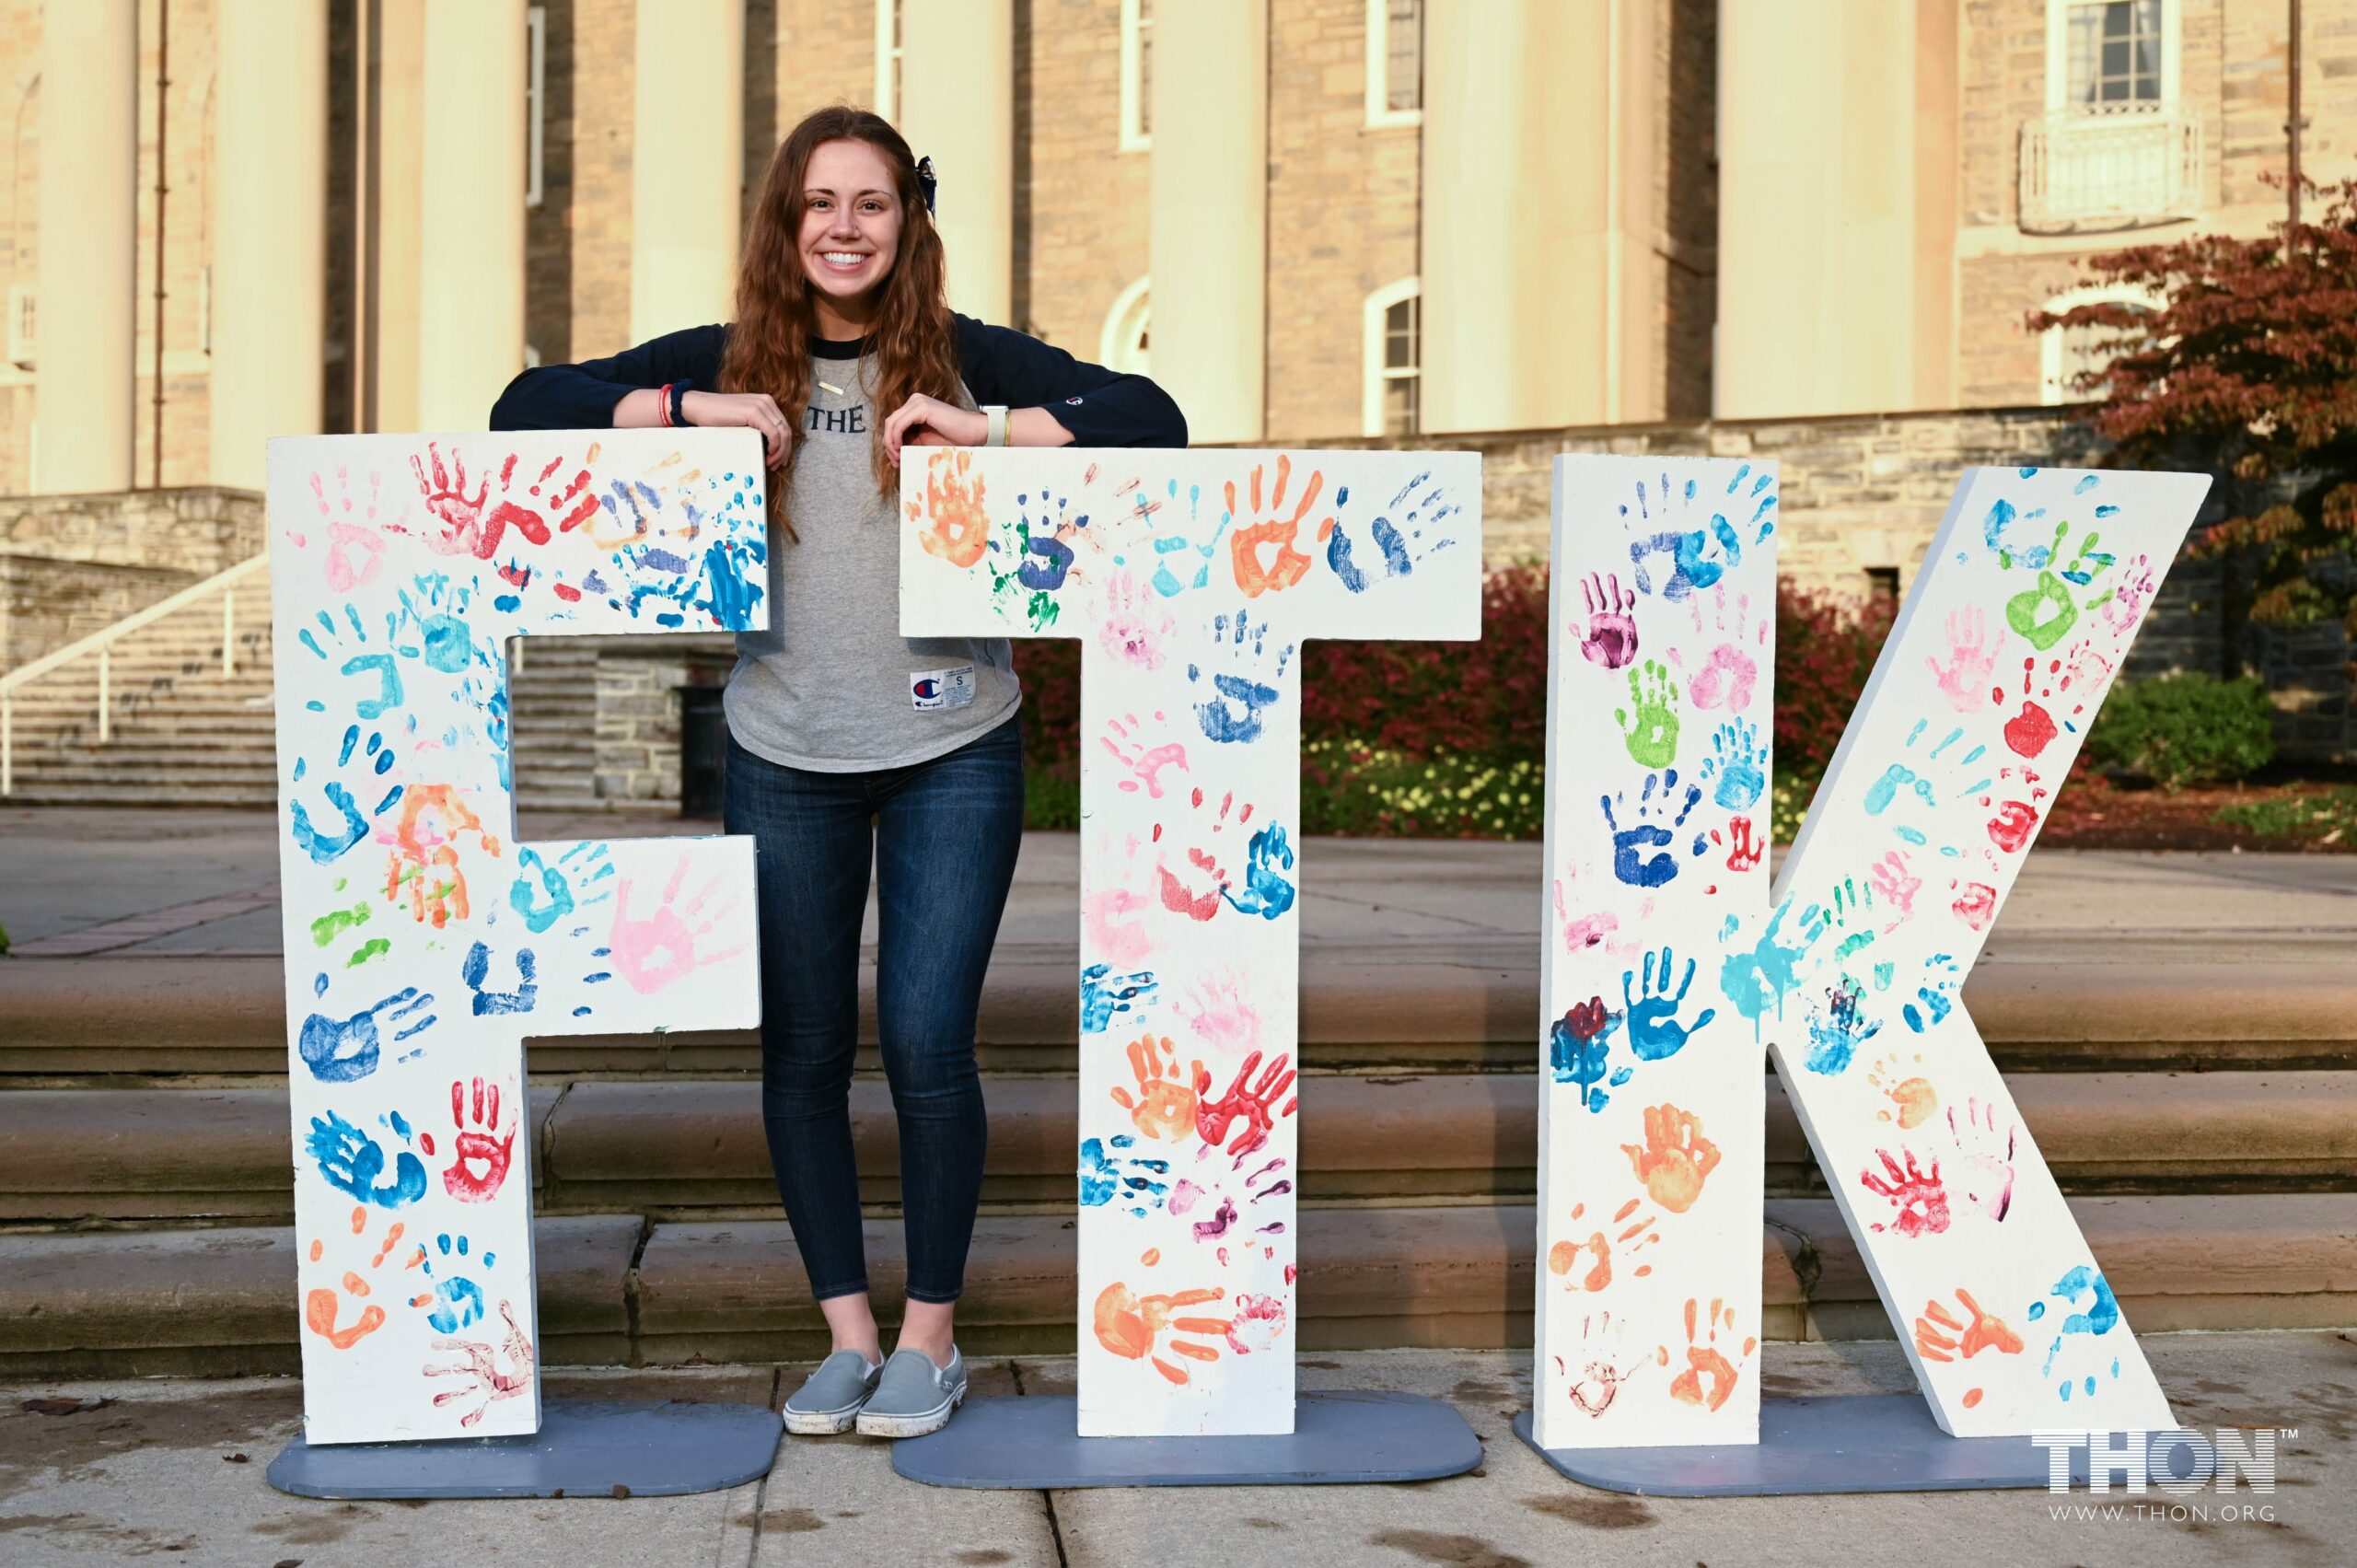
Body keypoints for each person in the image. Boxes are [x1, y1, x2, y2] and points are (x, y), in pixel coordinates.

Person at [490, 105, 1186, 1438]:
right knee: (803, 1052)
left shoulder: (967, 356)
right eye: (821, 203)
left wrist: (985, 431)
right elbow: (524, 406)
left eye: (872, 203)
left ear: (907, 220)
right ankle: (849, 1338)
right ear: (786, 220)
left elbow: (1152, 417)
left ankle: (930, 1339)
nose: (845, 228)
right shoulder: (725, 357)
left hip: (953, 746)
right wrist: (688, 409)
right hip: (781, 751)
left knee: (926, 1041)